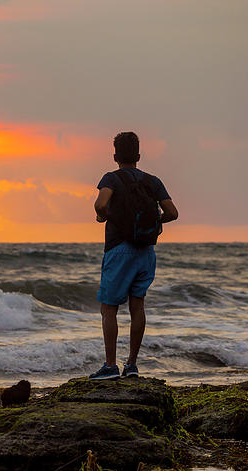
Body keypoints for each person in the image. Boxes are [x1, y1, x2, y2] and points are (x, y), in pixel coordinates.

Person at [89, 132, 178, 380]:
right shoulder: (153, 181)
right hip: (146, 251)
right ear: (138, 156)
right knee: (137, 305)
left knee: (109, 308)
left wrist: (104, 216)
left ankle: (110, 366)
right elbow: (173, 212)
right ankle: (132, 365)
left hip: (120, 249)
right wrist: (152, 222)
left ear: (115, 156)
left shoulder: (111, 178)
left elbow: (100, 204)